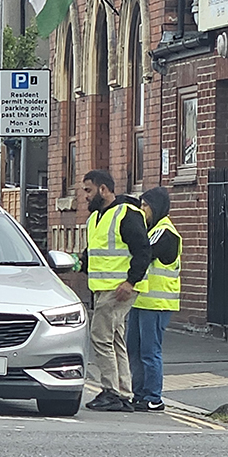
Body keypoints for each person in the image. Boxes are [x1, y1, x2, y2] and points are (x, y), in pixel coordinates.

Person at [81, 169, 152, 412]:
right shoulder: (95, 219)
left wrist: (131, 282)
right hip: (103, 288)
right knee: (115, 339)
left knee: (100, 337)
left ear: (103, 189)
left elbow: (143, 251)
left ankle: (111, 391)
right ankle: (123, 392)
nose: (85, 197)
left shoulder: (126, 214)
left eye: (89, 191)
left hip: (119, 288)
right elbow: (91, 256)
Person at [127, 186, 180, 412]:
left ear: (156, 207)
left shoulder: (164, 231)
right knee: (134, 350)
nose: (142, 210)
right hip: (140, 301)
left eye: (145, 205)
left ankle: (153, 397)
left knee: (150, 352)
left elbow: (144, 253)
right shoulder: (151, 230)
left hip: (157, 303)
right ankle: (139, 394)